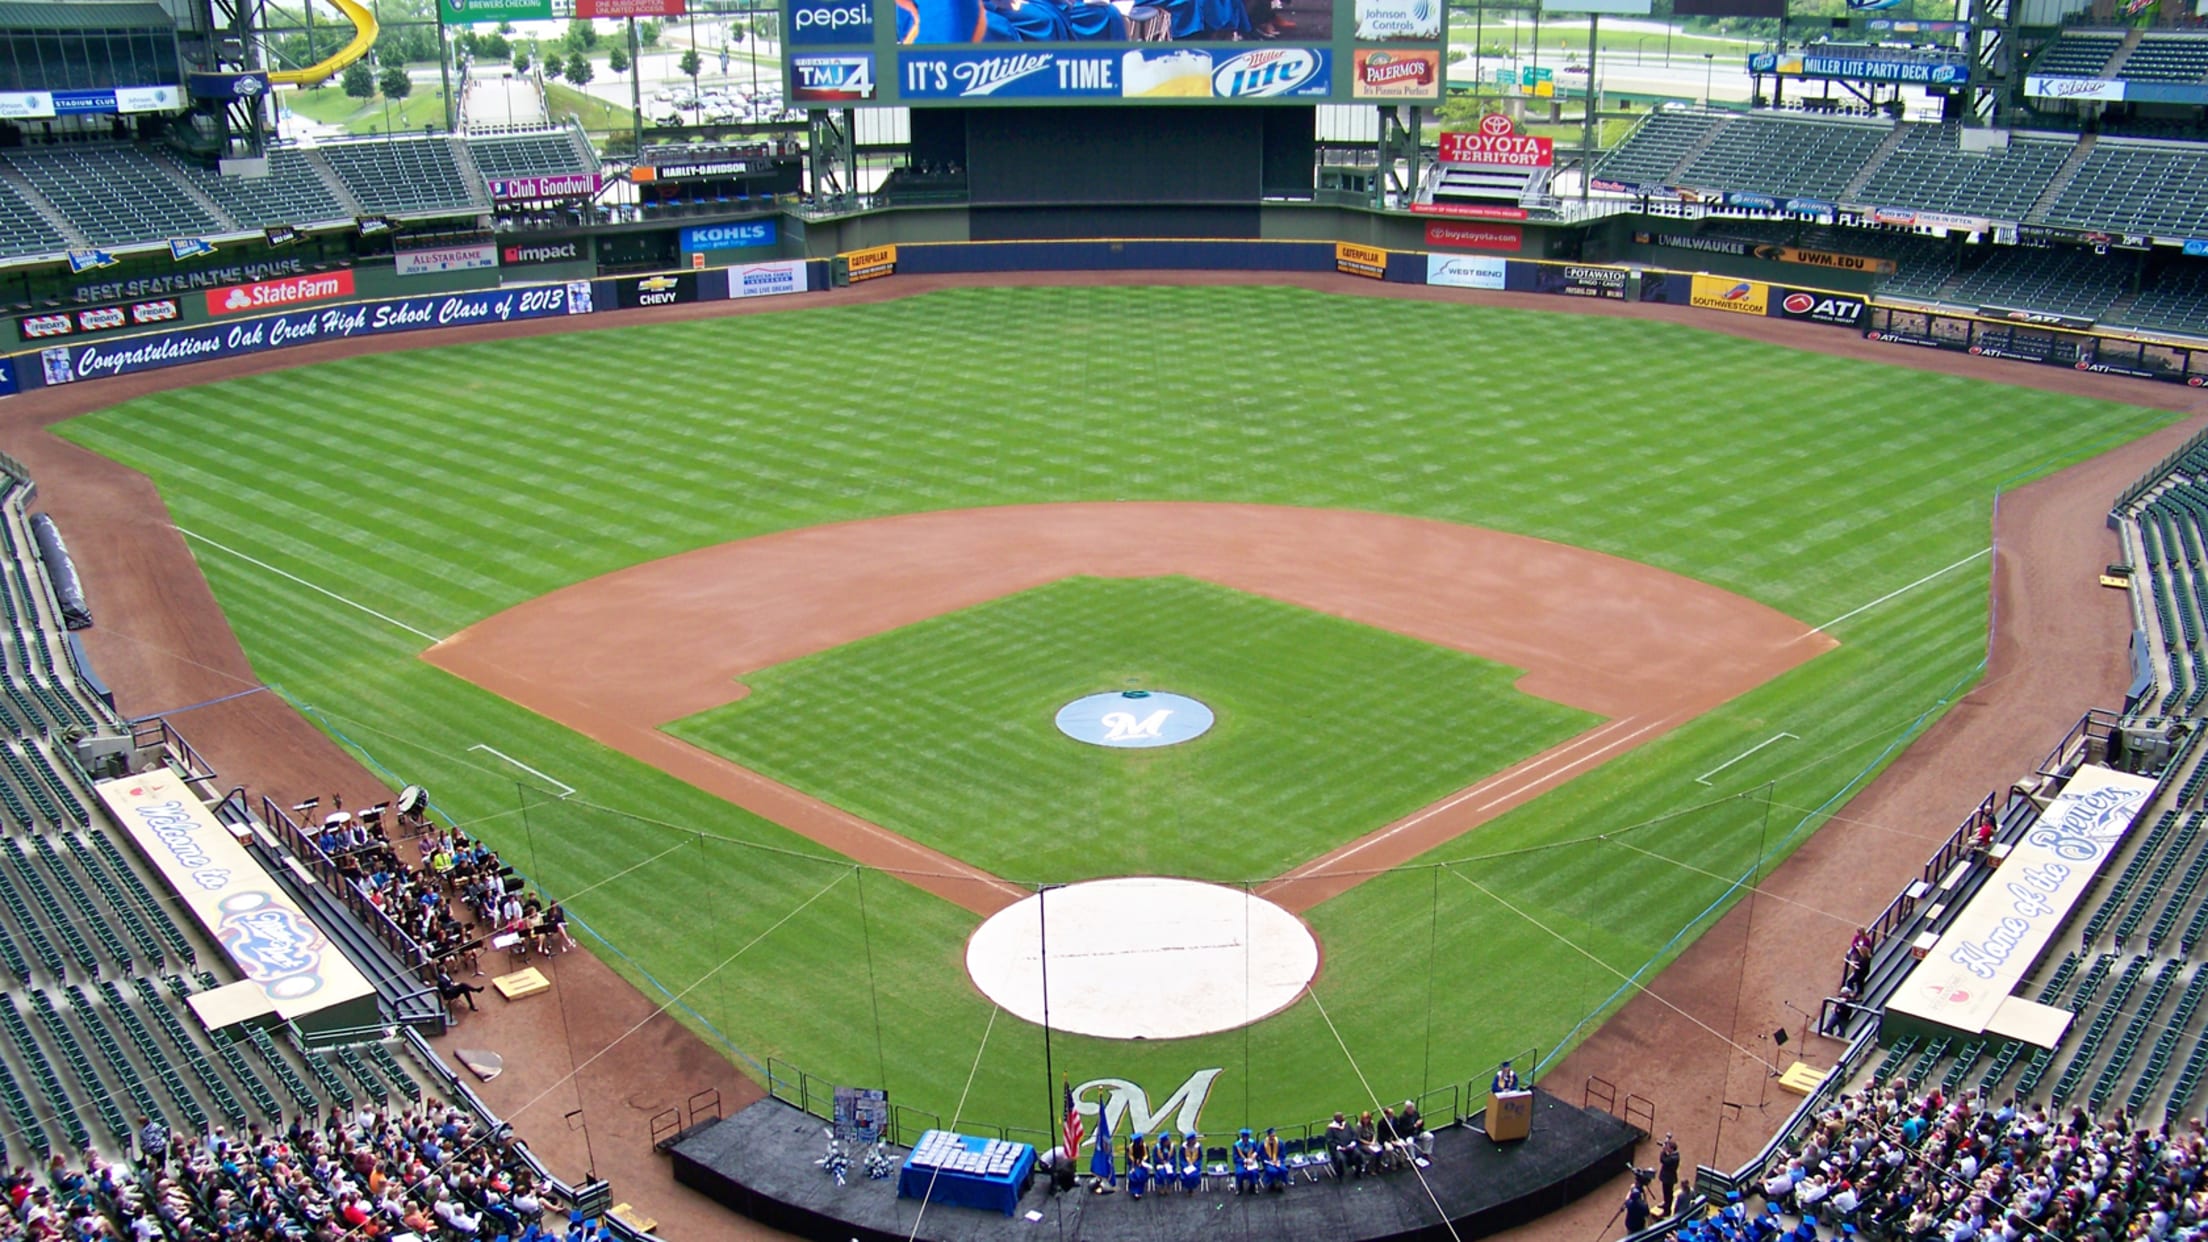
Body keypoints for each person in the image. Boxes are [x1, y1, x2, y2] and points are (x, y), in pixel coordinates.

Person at [1326, 1112, 1356, 1179]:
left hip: (1349, 1147)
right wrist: (1338, 1147)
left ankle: (1358, 1172)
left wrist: (1352, 1143)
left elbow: (1353, 1134)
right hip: (1338, 1149)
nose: (1343, 1118)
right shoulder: (1330, 1129)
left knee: (1358, 1154)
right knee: (1341, 1159)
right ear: (1337, 1119)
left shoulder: (1347, 1125)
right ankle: (1340, 1175)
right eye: (1341, 1117)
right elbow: (1330, 1141)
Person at [1657, 1132, 1681, 1215]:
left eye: (1668, 1148)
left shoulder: (1673, 1158)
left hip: (1669, 1179)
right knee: (1666, 1193)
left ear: (1671, 1149)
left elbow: (1663, 1160)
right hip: (1668, 1178)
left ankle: (1667, 1211)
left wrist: (1663, 1151)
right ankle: (1665, 1204)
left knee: (1668, 1194)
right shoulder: (1673, 1155)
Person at [1232, 1128, 1261, 1194]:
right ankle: (1239, 1187)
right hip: (1241, 1163)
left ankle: (1253, 1186)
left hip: (1251, 1162)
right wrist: (1244, 1161)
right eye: (1244, 1137)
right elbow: (1235, 1158)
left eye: (1247, 1137)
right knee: (1240, 1172)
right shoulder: (1236, 1145)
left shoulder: (1252, 1143)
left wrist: (1253, 1157)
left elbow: (1257, 1151)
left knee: (1253, 1172)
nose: (1246, 1139)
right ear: (1242, 1137)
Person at [1260, 1127, 1287, 1191]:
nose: (1273, 1138)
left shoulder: (1280, 1143)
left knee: (1284, 1169)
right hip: (1268, 1163)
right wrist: (1270, 1161)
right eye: (1271, 1136)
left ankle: (1280, 1183)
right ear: (1268, 1136)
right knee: (1273, 1171)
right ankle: (1272, 1184)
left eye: (1274, 1136)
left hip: (1278, 1161)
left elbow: (1282, 1154)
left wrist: (1278, 1160)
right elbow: (1262, 1156)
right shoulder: (1263, 1144)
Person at [1126, 1132, 1149, 1199]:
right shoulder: (1131, 1147)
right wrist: (1135, 1161)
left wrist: (1142, 1160)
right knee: (1135, 1174)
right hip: (1134, 1164)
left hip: (1142, 1164)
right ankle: (1135, 1191)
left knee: (1141, 1174)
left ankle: (1139, 1191)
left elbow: (1146, 1155)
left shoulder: (1144, 1146)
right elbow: (1130, 1156)